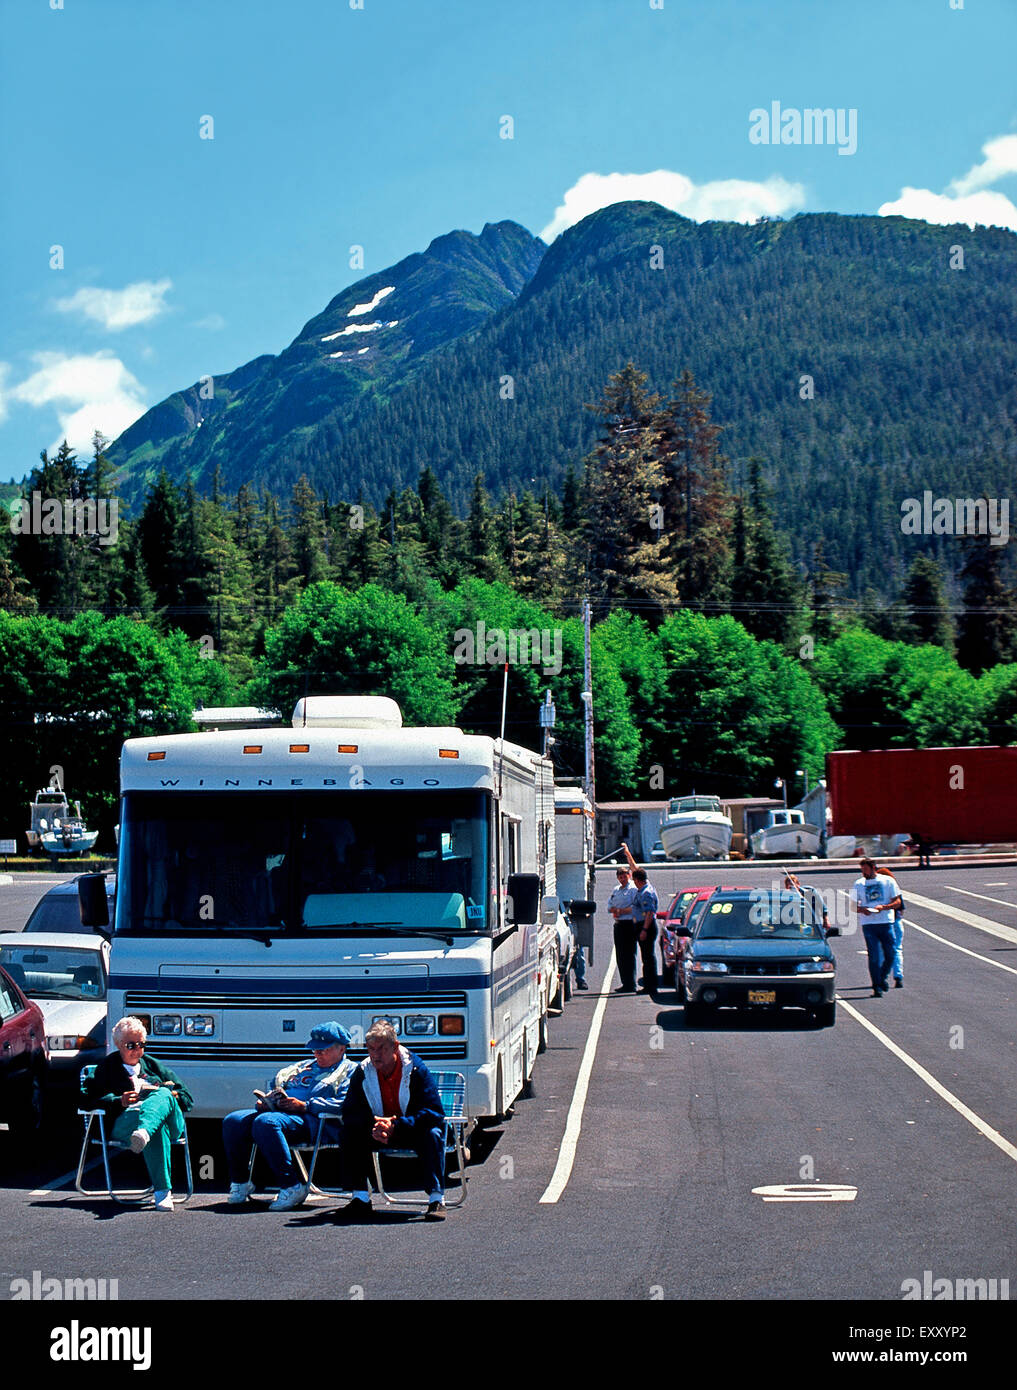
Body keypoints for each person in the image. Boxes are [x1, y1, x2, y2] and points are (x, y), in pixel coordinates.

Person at [222, 1021, 356, 1210]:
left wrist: (306, 1106)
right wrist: (267, 1102)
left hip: (315, 1121)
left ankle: (291, 1186)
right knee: (233, 1120)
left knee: (266, 1122)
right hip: (283, 1113)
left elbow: (345, 1104)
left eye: (323, 1050)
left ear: (341, 1049)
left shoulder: (350, 1071)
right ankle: (241, 1181)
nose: (317, 1054)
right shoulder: (300, 1067)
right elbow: (276, 1087)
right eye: (315, 1050)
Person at [337, 1020, 448, 1222]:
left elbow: (434, 1113)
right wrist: (375, 1125)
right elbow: (350, 1111)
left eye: (382, 1049)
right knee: (348, 1133)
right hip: (379, 1130)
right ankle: (360, 1198)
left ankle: (436, 1199)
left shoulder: (416, 1069)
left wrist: (396, 1124)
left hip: (409, 1130)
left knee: (433, 1134)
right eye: (371, 1049)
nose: (376, 1055)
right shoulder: (363, 1071)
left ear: (395, 1047)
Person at [83, 1016, 193, 1212]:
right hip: (126, 1121)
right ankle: (163, 1193)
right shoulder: (106, 1068)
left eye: (141, 1044)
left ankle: (144, 1130)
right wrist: (119, 1100)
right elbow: (85, 1099)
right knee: (156, 1127)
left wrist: (169, 1095)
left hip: (167, 1121)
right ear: (118, 1044)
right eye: (131, 1045)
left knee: (163, 1092)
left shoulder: (153, 1065)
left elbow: (187, 1097)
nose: (137, 1050)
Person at [850, 858, 902, 997]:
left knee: (890, 954)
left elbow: (897, 902)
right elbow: (853, 906)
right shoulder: (858, 884)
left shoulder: (888, 881)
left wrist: (884, 907)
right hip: (869, 924)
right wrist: (863, 910)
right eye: (862, 870)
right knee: (873, 956)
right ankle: (876, 986)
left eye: (865, 870)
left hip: (886, 922)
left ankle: (882, 977)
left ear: (873, 867)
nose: (863, 873)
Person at [607, 851, 640, 993]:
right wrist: (615, 910)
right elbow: (609, 905)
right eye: (620, 877)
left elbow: (635, 907)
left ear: (629, 876)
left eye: (624, 876)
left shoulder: (633, 889)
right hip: (619, 925)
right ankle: (624, 982)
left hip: (629, 924)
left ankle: (631, 983)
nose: (622, 879)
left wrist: (621, 911)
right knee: (620, 954)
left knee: (630, 954)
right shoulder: (616, 889)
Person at [631, 868, 659, 997]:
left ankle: (650, 986)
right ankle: (649, 984)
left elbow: (649, 912)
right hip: (643, 925)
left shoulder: (646, 893)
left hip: (646, 925)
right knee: (646, 957)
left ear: (637, 880)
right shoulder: (645, 889)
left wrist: (644, 930)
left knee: (648, 958)